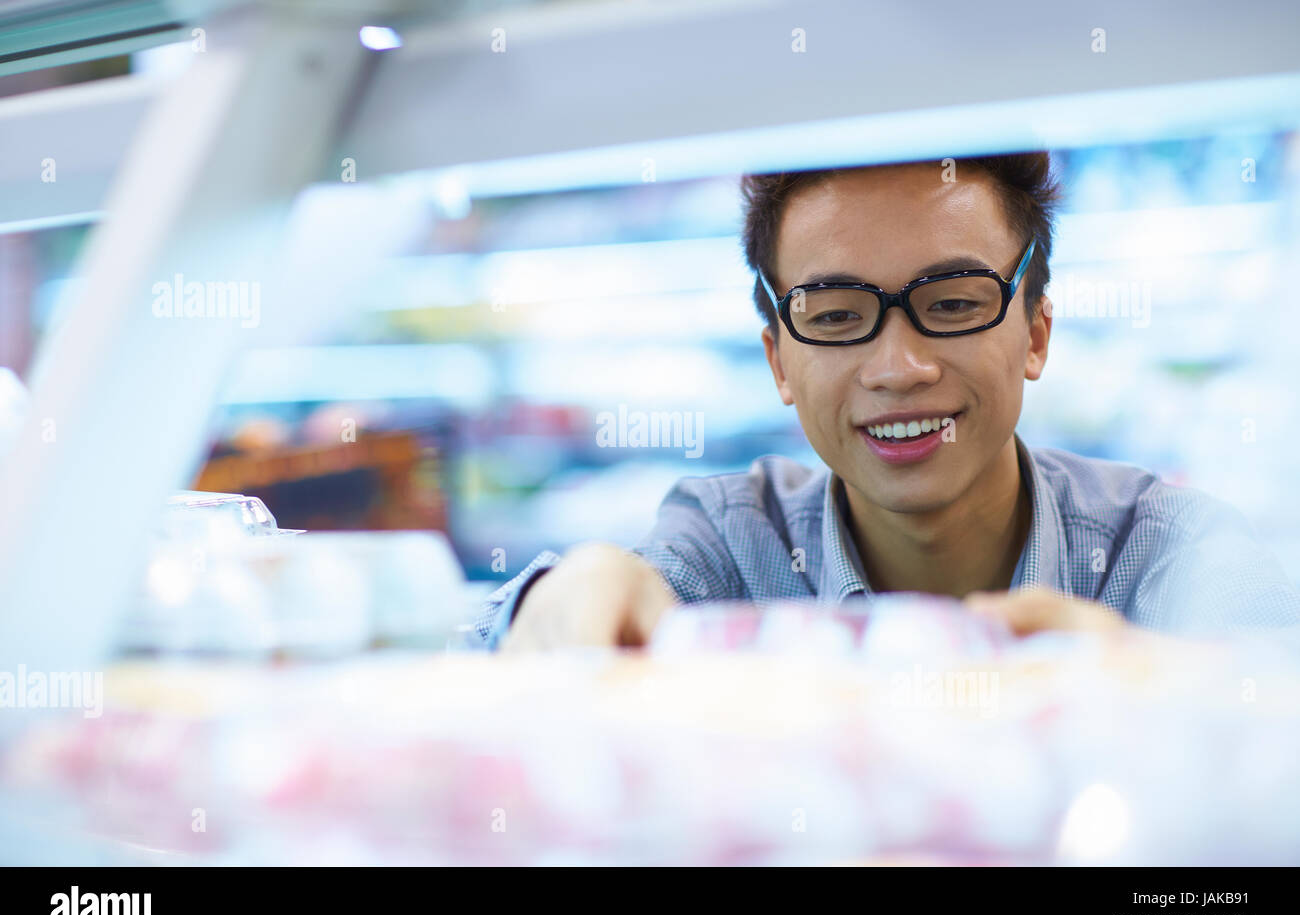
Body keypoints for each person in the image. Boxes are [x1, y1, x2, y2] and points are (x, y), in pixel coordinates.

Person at [474, 152, 1300, 651]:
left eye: (953, 304)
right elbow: (621, 602)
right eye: (836, 316)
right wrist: (568, 597)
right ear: (779, 362)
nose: (898, 367)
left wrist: (1162, 693)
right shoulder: (733, 543)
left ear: (1037, 333)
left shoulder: (1165, 556)